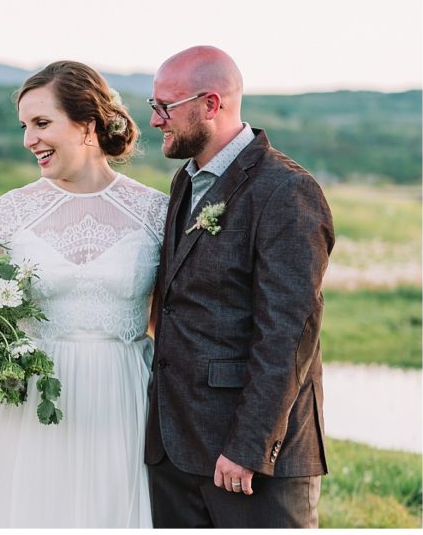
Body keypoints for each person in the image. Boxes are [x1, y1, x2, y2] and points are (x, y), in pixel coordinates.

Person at [0, 60, 167, 528]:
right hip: (28, 404)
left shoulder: (155, 213)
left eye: (42, 123)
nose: (29, 140)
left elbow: (166, 325)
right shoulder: (6, 215)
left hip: (120, 399)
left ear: (87, 124)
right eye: (24, 126)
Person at [144, 45, 334, 528]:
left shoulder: (286, 190)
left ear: (210, 104)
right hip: (175, 449)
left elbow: (289, 335)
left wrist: (248, 447)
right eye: (153, 106)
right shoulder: (185, 182)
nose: (155, 121)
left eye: (165, 107)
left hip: (249, 461)